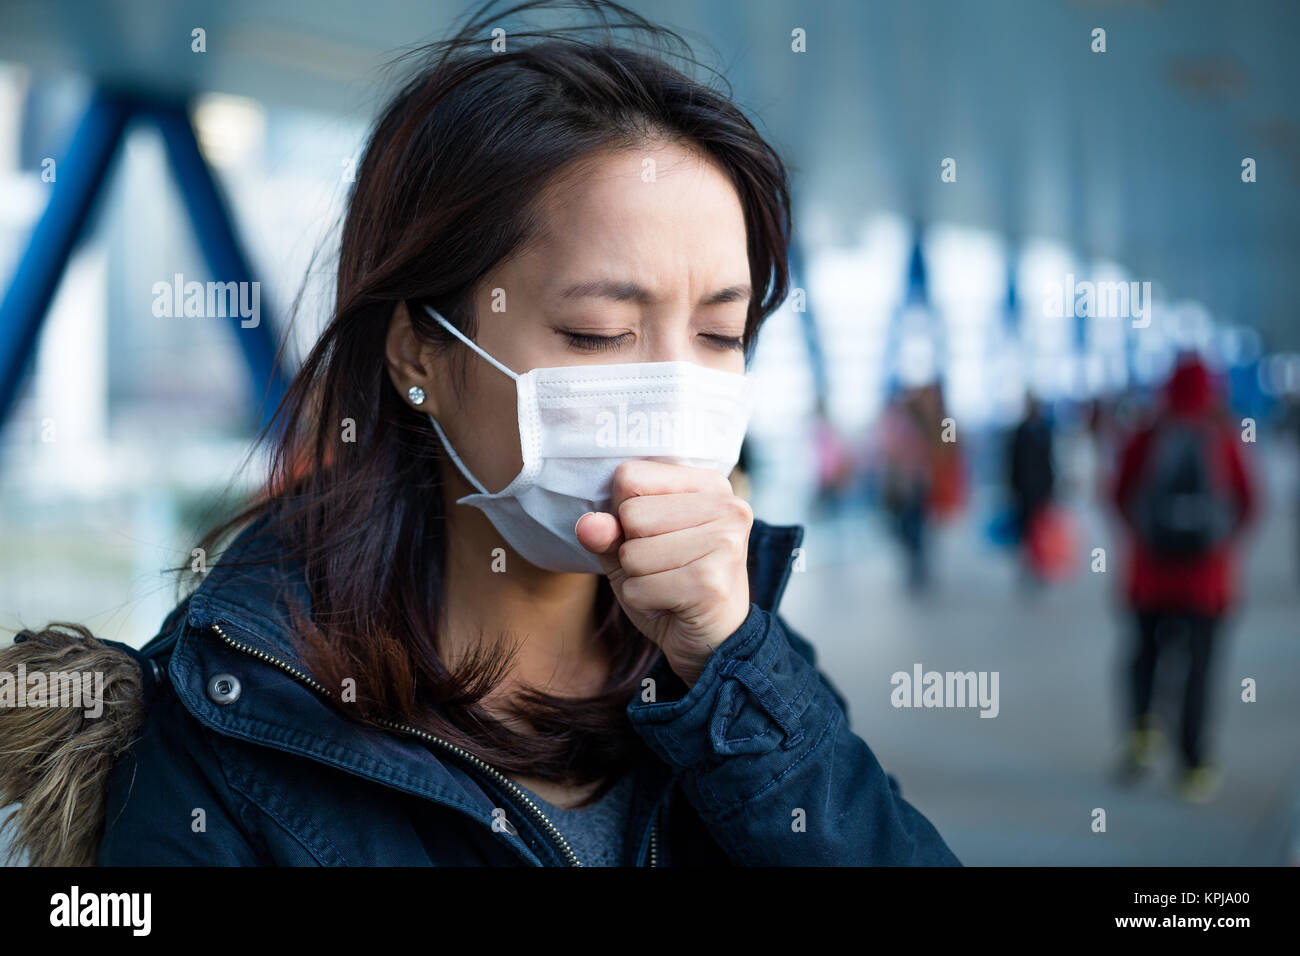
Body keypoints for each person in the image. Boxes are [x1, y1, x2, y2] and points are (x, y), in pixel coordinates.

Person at [0, 0, 959, 867]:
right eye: (597, 332)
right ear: (420, 352)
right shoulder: (231, 726)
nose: (672, 393)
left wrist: (735, 676)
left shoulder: (744, 666)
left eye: (719, 332)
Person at [1110, 355, 1257, 802]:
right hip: (1206, 585)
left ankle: (1140, 742)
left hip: (1149, 579)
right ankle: (1194, 765)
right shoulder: (1222, 434)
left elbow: (1118, 493)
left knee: (1144, 660)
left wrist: (1144, 537)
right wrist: (1219, 545)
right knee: (1199, 671)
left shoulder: (1148, 431)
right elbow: (1249, 500)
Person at [1007, 394, 1055, 586]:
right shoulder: (1020, 431)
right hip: (1024, 491)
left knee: (1040, 530)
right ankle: (1028, 566)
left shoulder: (1044, 430)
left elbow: (1049, 462)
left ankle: (1039, 565)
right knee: (1025, 531)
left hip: (1040, 490)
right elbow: (1013, 462)